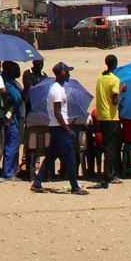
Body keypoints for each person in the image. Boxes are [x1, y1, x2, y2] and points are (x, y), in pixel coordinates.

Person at [30, 63, 88, 195]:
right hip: (59, 128)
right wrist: (66, 128)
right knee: (70, 157)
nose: (69, 74)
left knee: (51, 156)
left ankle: (37, 182)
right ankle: (75, 186)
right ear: (62, 73)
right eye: (67, 72)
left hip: (56, 127)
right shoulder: (56, 89)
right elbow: (57, 111)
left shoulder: (59, 88)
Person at [94, 54, 125, 189]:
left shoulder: (100, 78)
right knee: (110, 147)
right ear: (116, 64)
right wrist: (121, 90)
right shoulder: (114, 80)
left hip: (101, 116)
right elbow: (114, 100)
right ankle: (108, 175)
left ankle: (109, 173)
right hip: (111, 117)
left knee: (107, 145)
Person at [1, 61, 24, 180]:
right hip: (11, 118)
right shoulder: (7, 83)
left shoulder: (13, 82)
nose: (19, 72)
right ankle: (8, 172)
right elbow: (16, 98)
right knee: (12, 144)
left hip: (16, 117)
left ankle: (13, 170)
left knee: (14, 144)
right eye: (16, 69)